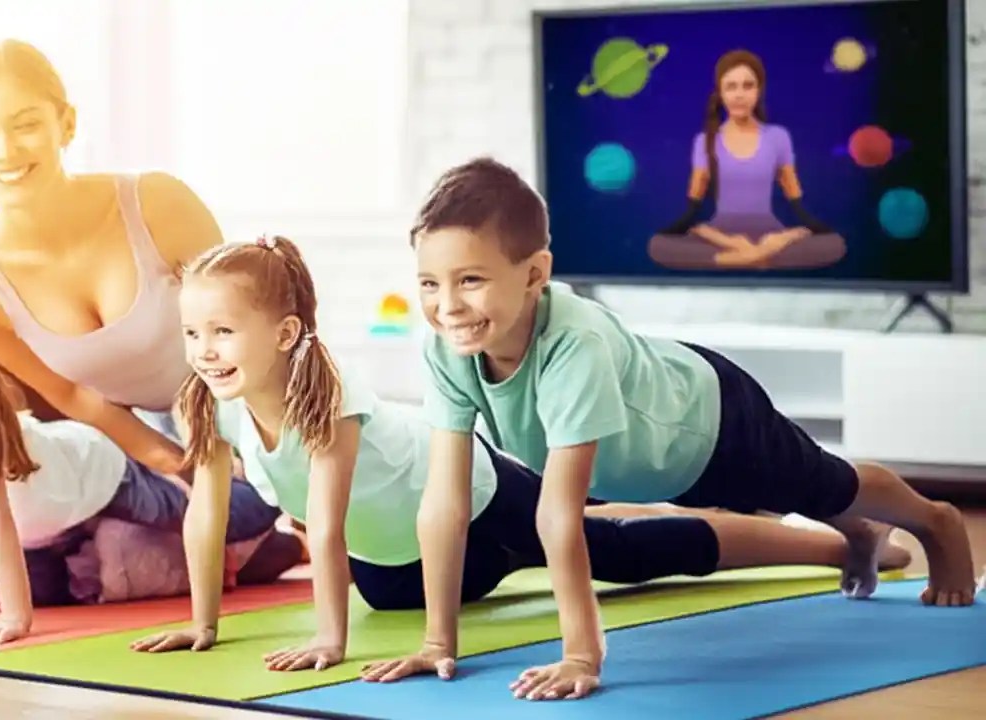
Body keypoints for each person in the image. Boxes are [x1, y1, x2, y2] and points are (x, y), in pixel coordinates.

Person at [126, 235, 912, 678]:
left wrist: (331, 642)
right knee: (412, 592)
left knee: (615, 550)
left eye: (223, 333)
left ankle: (832, 539)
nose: (205, 351)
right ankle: (561, 534)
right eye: (194, 333)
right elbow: (207, 513)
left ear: (286, 334)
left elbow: (323, 528)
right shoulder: (211, 404)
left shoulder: (330, 398)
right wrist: (203, 625)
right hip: (400, 563)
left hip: (473, 494)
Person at [406, 156, 976, 701]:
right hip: (659, 466)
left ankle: (934, 520)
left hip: (710, 421)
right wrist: (437, 643)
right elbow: (446, 502)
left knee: (823, 485)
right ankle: (862, 534)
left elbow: (558, 513)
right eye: (430, 283)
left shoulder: (573, 345)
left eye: (470, 280)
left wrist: (581, 656)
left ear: (535, 274)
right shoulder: (451, 351)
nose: (448, 305)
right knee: (799, 495)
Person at [0, 39, 302, 581]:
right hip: (130, 447)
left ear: (67, 124)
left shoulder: (157, 203)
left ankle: (242, 534)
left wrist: (284, 466)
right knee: (3, 578)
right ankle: (246, 550)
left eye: (25, 124)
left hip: (236, 415)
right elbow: (72, 395)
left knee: (248, 500)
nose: (5, 151)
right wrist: (173, 467)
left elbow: (250, 326)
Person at [0, 279, 300, 644]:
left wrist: (16, 620)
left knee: (227, 518)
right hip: (51, 526)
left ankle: (245, 466)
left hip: (102, 476)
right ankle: (280, 551)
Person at [650, 48, 845, 271]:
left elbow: (798, 207)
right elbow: (691, 211)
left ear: (759, 90)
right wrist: (726, 240)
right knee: (658, 245)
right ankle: (758, 257)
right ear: (720, 93)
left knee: (834, 244)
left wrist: (785, 237)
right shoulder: (704, 140)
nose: (739, 94)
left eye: (748, 85)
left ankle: (741, 258)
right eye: (731, 87)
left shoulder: (778, 136)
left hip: (771, 233)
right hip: (721, 236)